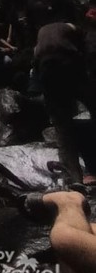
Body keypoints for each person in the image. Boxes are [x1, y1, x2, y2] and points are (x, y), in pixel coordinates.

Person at [34, 20, 96, 187]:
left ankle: (74, 180)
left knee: (63, 130)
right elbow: (89, 51)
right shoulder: (76, 31)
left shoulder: (43, 32)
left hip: (47, 75)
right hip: (71, 68)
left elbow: (35, 63)